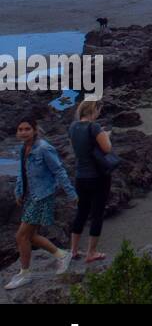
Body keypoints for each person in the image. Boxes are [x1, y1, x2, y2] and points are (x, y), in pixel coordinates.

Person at [5, 114, 76, 289]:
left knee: (21, 236)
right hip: (30, 196)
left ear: (35, 130)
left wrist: (72, 194)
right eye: (20, 129)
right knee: (31, 236)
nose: (23, 132)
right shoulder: (23, 148)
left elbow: (59, 171)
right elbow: (22, 172)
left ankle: (25, 274)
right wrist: (18, 190)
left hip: (42, 196)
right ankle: (62, 255)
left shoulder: (44, 148)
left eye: (27, 129)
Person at [68, 99, 113, 266]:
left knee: (81, 212)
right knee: (97, 214)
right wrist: (106, 136)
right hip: (98, 177)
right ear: (94, 110)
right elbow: (107, 149)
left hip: (80, 176)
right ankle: (91, 252)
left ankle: (73, 251)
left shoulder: (73, 127)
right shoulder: (94, 127)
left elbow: (78, 147)